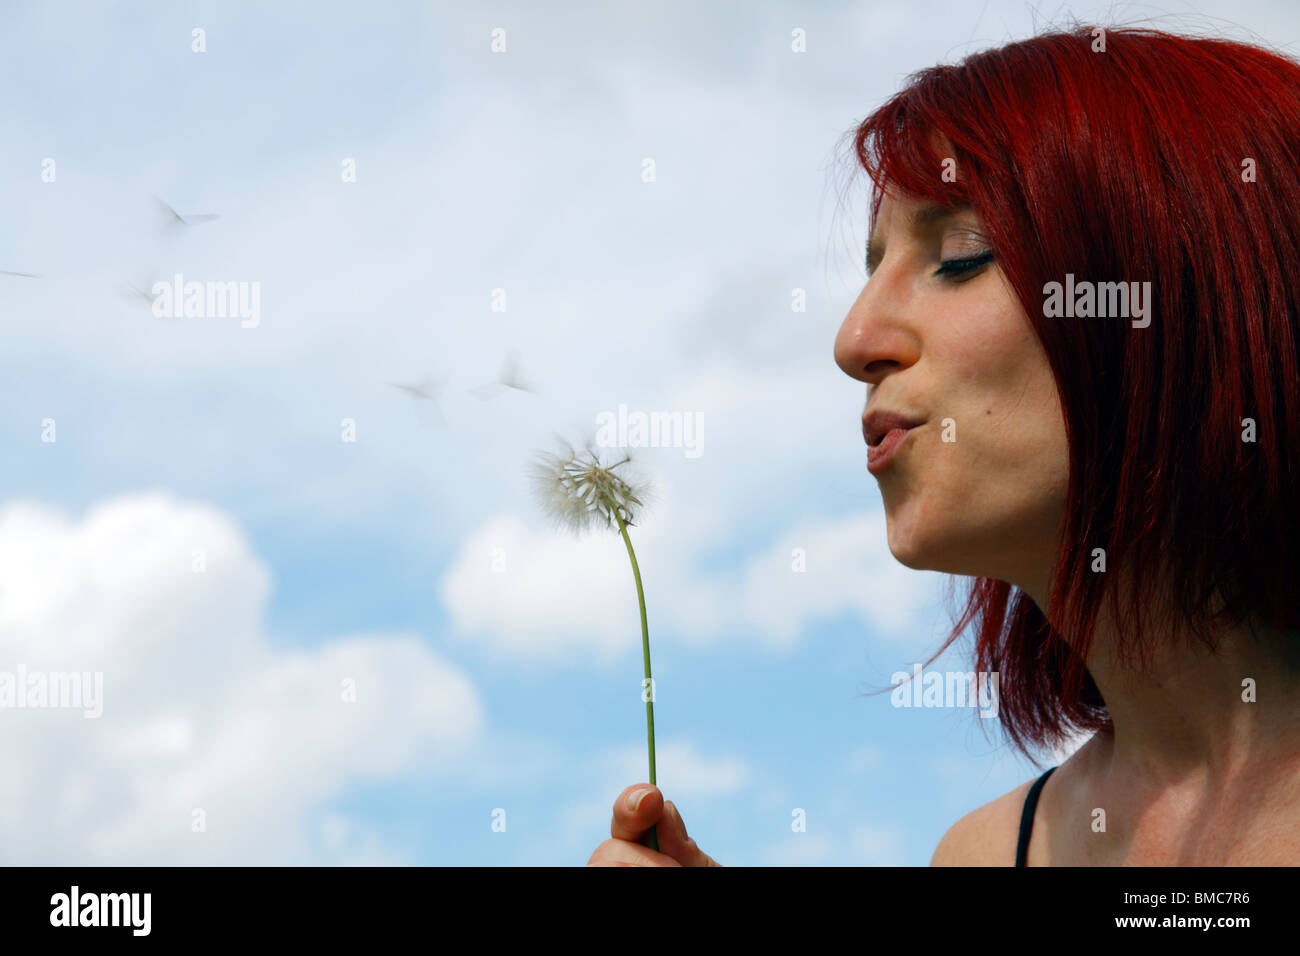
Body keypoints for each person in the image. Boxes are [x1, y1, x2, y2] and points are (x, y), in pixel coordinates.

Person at [586, 24, 1300, 867]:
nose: (854, 340)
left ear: (1192, 289)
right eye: (872, 266)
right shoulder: (985, 853)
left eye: (960, 253)